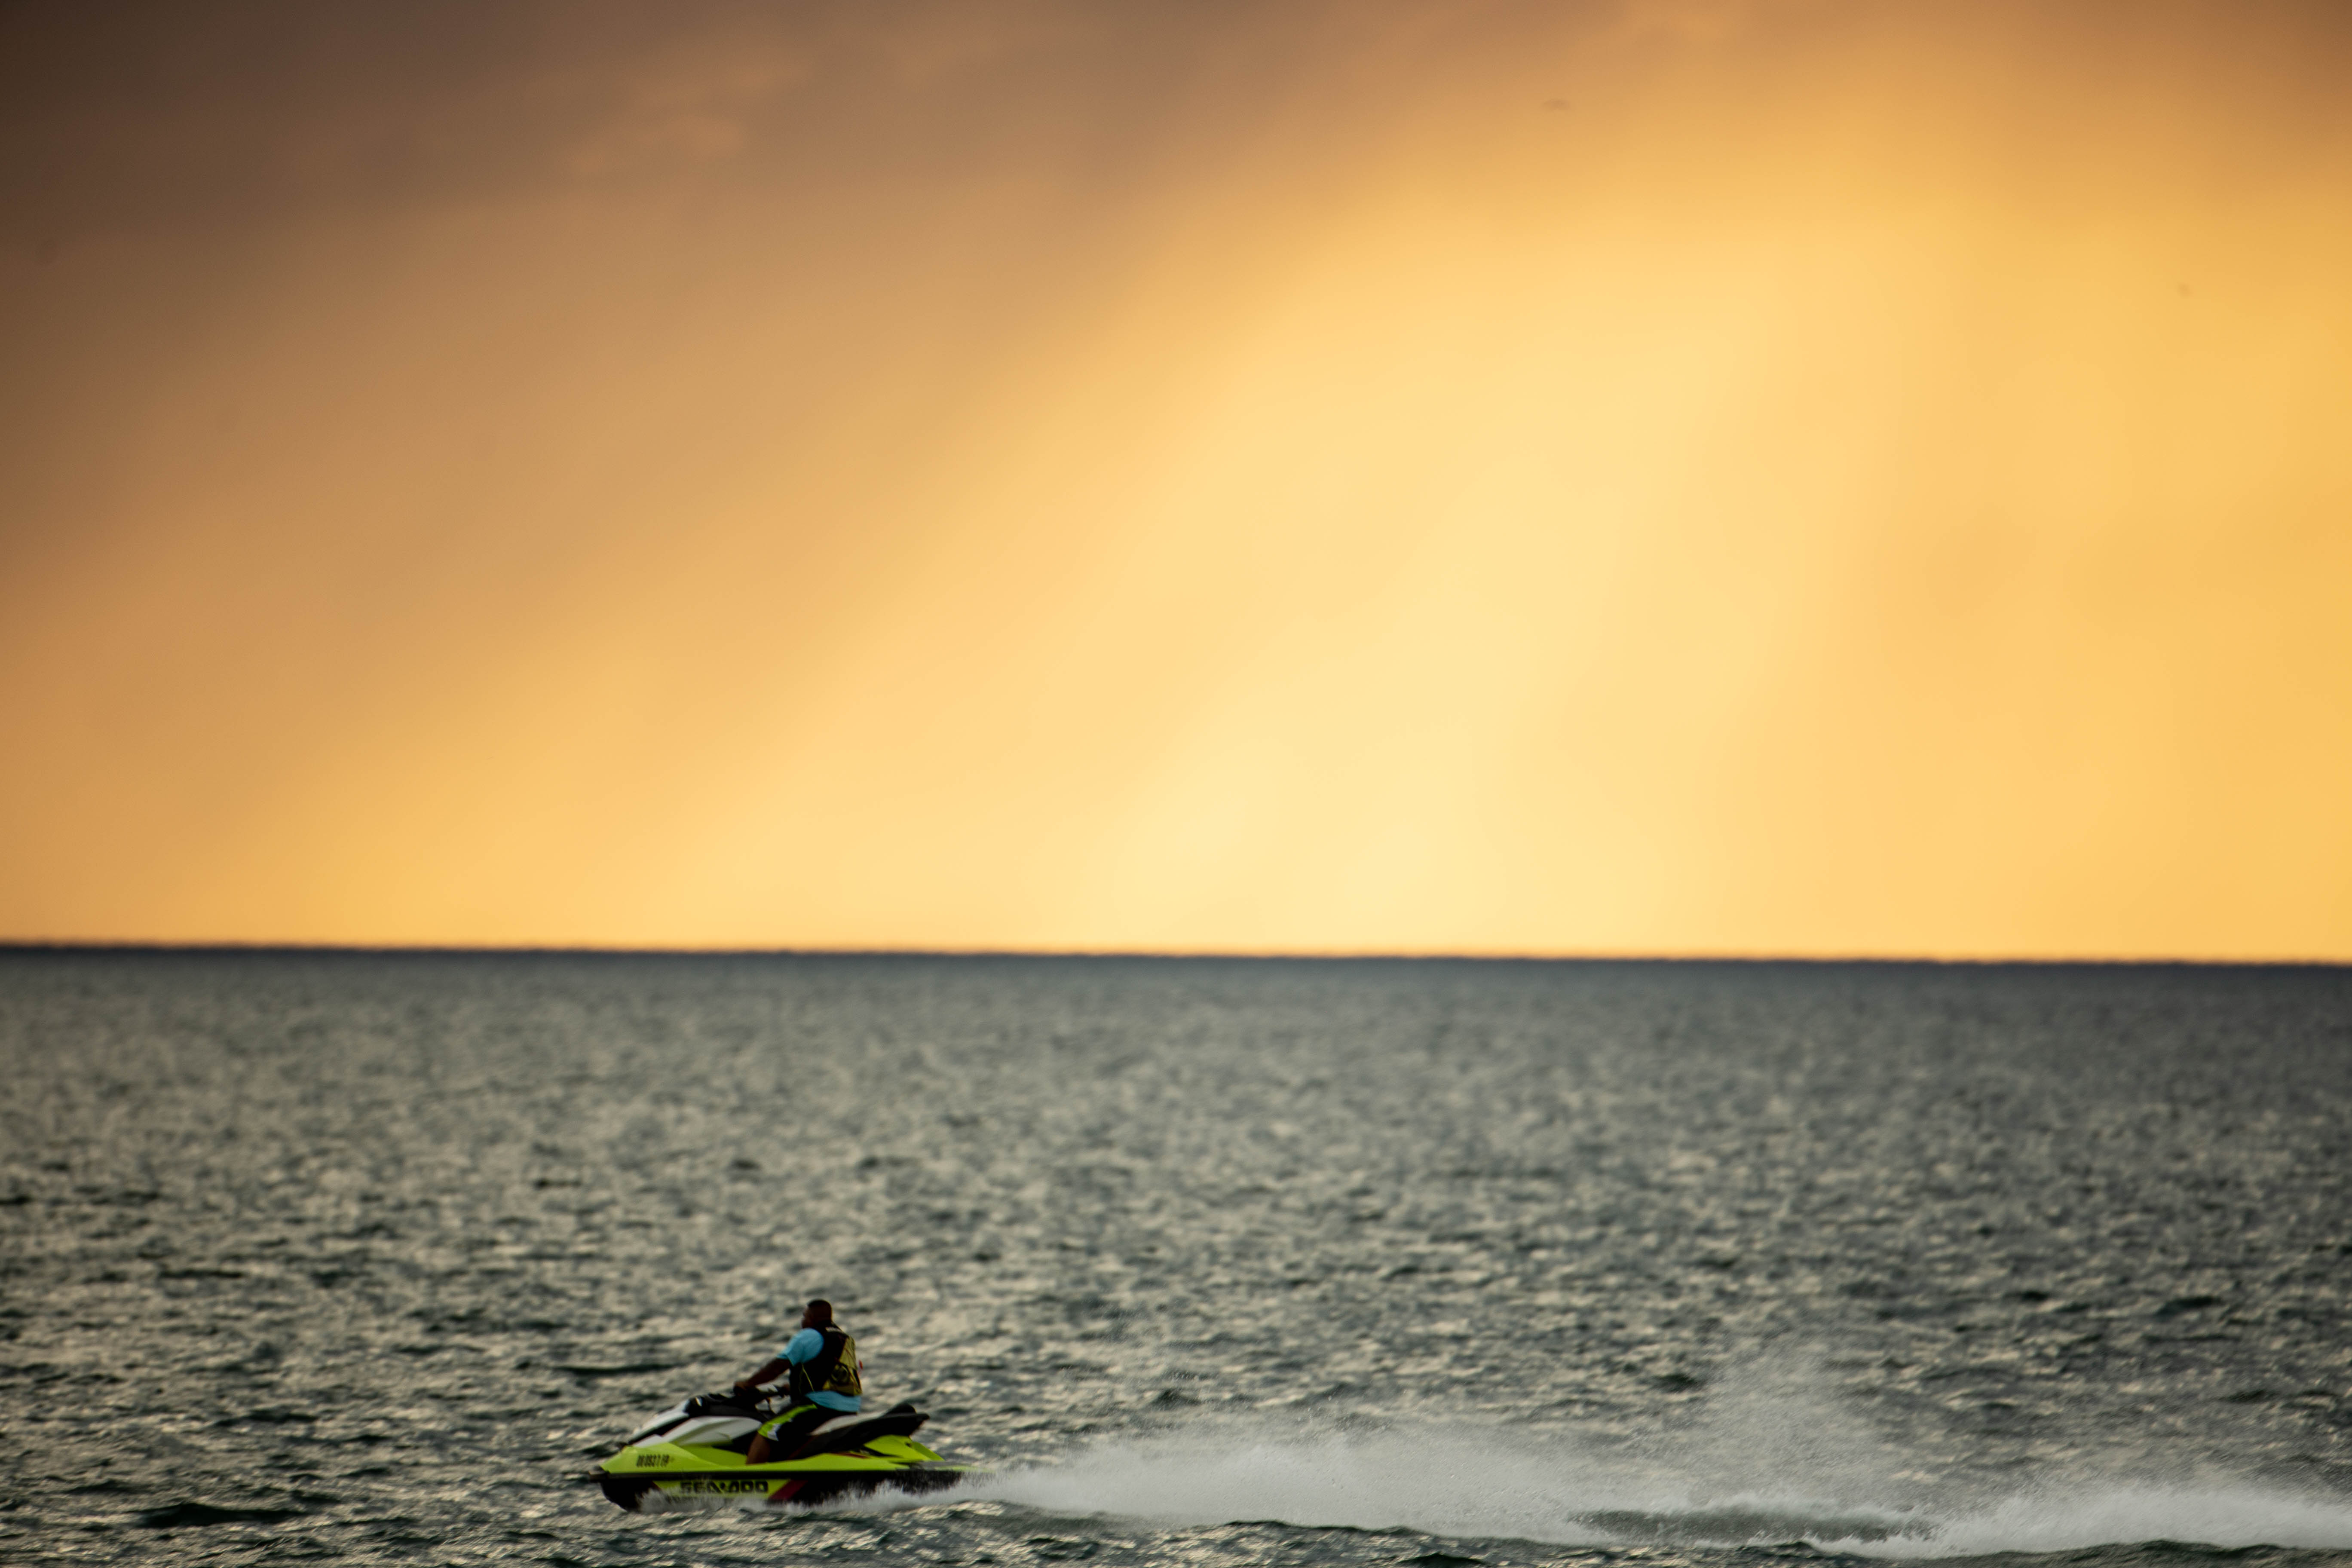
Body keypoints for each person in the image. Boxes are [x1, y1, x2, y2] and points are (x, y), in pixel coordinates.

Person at [735, 1299, 863, 1462]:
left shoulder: (809, 1336)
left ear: (811, 1318)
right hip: (850, 1408)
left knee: (767, 1430)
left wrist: (748, 1384)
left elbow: (776, 1368)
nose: (802, 1321)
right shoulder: (844, 1339)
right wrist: (793, 1387)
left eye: (804, 1316)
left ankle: (750, 1481)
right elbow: (833, 1375)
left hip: (820, 1407)